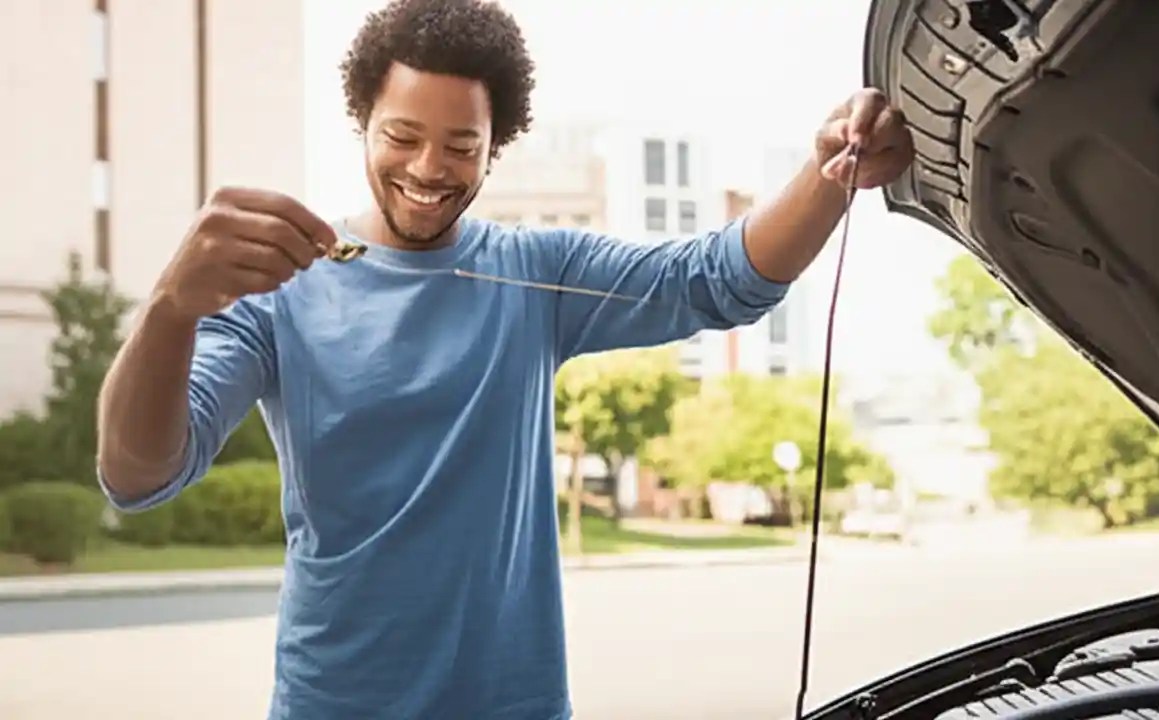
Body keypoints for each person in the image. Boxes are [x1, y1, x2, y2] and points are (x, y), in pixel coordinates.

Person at [95, 0, 914, 717]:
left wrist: (830, 170)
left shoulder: (534, 273)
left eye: (460, 145)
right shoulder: (283, 288)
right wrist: (172, 307)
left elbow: (716, 281)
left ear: (496, 145)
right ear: (363, 124)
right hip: (334, 703)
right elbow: (139, 475)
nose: (427, 168)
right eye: (403, 137)